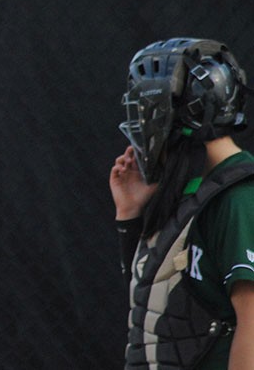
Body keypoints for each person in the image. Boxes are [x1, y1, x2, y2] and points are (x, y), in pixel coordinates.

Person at [109, 38, 254, 369]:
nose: (142, 126)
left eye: (148, 112)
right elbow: (153, 305)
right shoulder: (193, 192)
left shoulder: (239, 197)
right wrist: (130, 215)